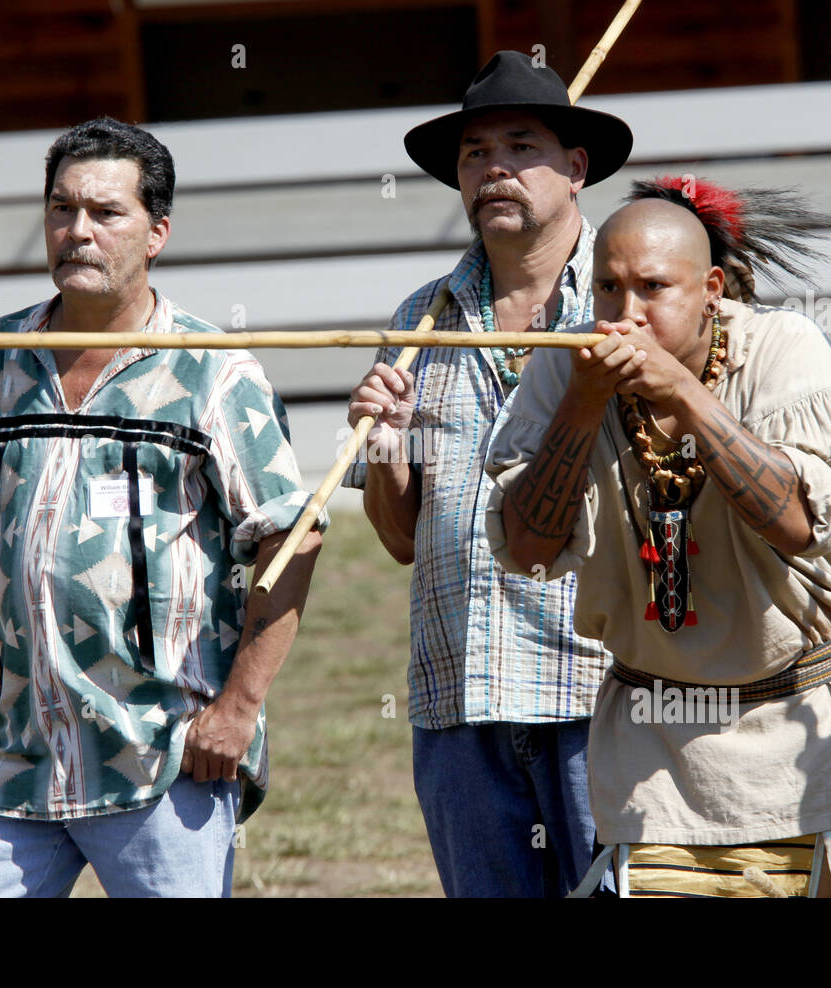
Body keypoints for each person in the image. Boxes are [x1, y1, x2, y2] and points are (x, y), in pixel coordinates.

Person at [0, 117, 324, 897]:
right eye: (61, 209)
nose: (77, 231)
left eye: (105, 213)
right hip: (18, 751)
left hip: (161, 755)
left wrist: (237, 710)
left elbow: (291, 537)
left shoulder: (213, 371)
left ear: (156, 233)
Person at [486, 177, 831, 897]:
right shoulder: (565, 366)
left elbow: (797, 521)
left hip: (794, 735)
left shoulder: (782, 347)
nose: (626, 314)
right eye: (608, 289)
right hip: (651, 753)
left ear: (711, 287)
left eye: (654, 287)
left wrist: (681, 393)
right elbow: (526, 551)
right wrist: (582, 408)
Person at [342, 51, 633, 896]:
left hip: (601, 697)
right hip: (458, 700)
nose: (495, 168)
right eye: (475, 153)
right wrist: (387, 444)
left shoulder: (623, 307)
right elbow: (402, 539)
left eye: (520, 146)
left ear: (576, 169)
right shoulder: (420, 320)